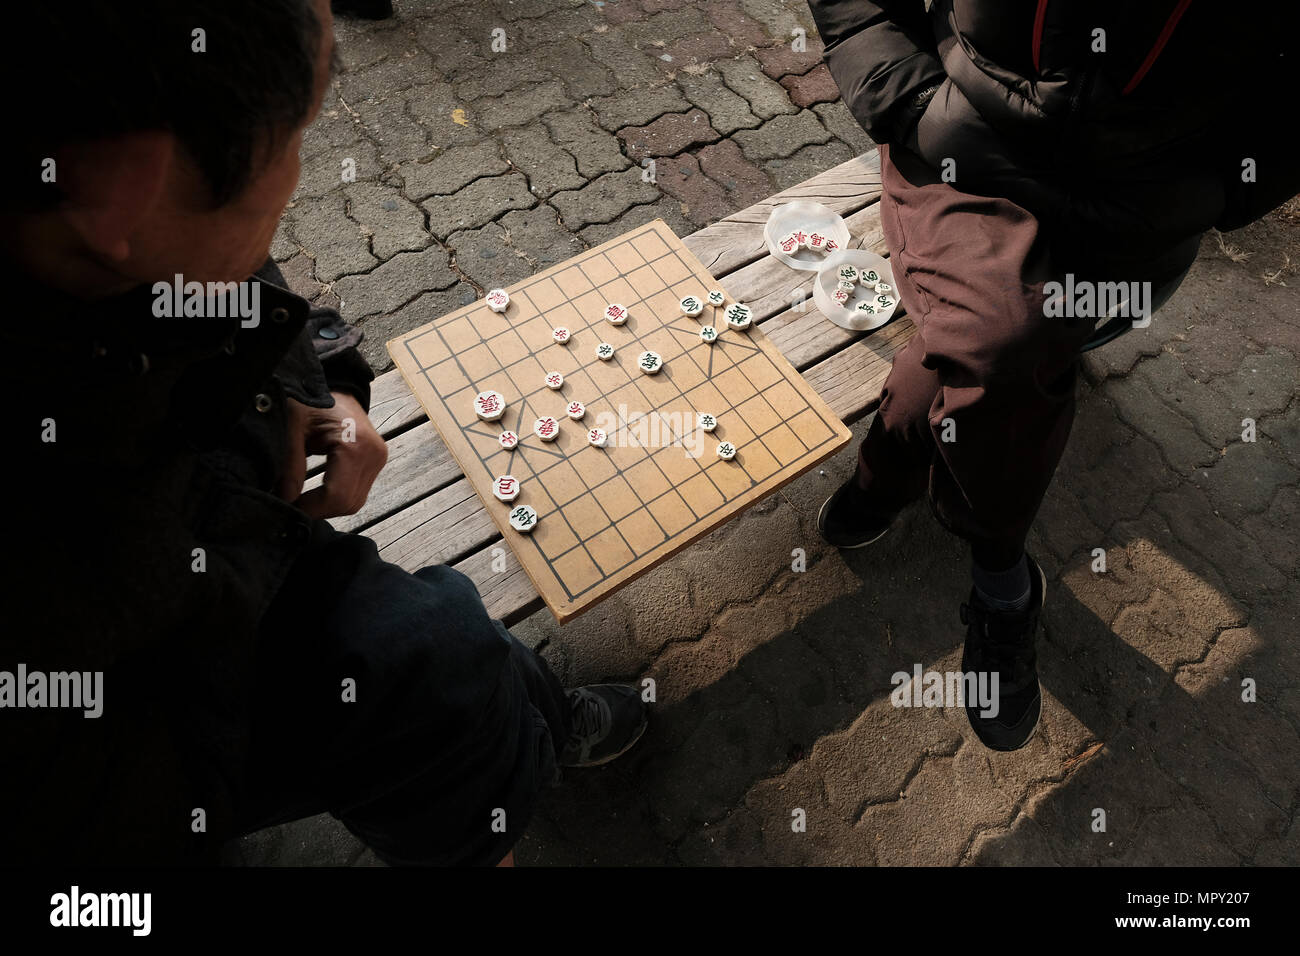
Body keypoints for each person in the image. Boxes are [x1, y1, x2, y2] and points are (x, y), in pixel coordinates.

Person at [0, 0, 645, 867]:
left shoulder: (79, 225)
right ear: (126, 187)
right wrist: (270, 476)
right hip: (158, 721)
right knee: (437, 663)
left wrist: (325, 380)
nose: (299, 175)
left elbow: (225, 282)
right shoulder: (61, 572)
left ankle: (529, 726)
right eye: (296, 137)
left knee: (464, 664)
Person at [806, 0, 1298, 750]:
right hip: (962, 152)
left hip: (1138, 201)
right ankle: (1002, 580)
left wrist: (1215, 190)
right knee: (1000, 346)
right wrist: (916, 107)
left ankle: (894, 457)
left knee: (985, 352)